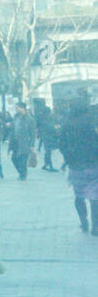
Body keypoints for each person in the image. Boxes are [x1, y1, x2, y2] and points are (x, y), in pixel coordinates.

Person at [58, 100, 98, 234]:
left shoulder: (67, 124)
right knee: (94, 198)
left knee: (79, 196)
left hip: (76, 167)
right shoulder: (91, 124)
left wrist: (69, 159)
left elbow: (62, 145)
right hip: (93, 166)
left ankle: (83, 222)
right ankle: (96, 226)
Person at [8, 102, 37, 180]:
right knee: (14, 159)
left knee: (23, 160)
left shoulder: (30, 119)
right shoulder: (15, 117)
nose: (16, 109)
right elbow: (12, 129)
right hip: (15, 142)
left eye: (17, 107)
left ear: (22, 108)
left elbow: (33, 134)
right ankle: (21, 173)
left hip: (24, 143)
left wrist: (32, 145)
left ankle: (23, 175)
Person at [38, 103, 60, 171]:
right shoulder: (47, 119)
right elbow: (51, 128)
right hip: (49, 137)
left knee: (47, 151)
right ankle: (50, 166)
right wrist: (56, 128)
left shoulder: (43, 118)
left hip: (46, 137)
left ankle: (46, 164)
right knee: (48, 151)